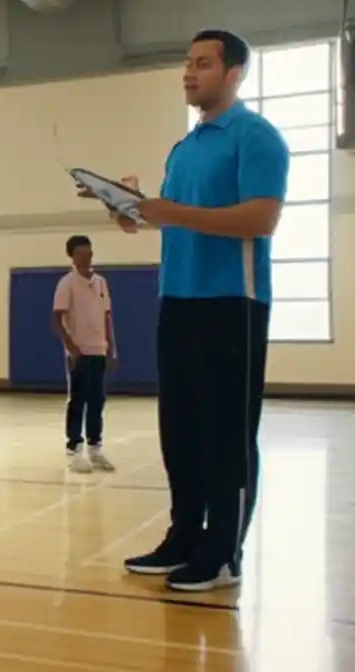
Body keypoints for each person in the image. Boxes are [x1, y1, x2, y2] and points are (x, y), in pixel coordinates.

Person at [78, 29, 288, 592]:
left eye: (203, 64)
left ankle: (223, 553)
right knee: (181, 431)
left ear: (234, 73)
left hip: (232, 304)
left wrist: (171, 210)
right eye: (187, 64)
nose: (189, 74)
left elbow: (260, 220)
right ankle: (183, 538)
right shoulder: (185, 147)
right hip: (178, 301)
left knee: (227, 434)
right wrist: (128, 206)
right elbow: (163, 219)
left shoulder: (257, 137)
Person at [52, 235, 117, 474]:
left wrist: (111, 349)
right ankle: (74, 448)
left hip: (98, 349)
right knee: (78, 399)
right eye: (81, 254)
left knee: (97, 400)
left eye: (89, 253)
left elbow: (107, 317)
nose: (86, 258)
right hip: (79, 352)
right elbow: (57, 319)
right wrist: (72, 347)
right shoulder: (67, 283)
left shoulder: (101, 283)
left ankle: (95, 446)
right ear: (72, 256)